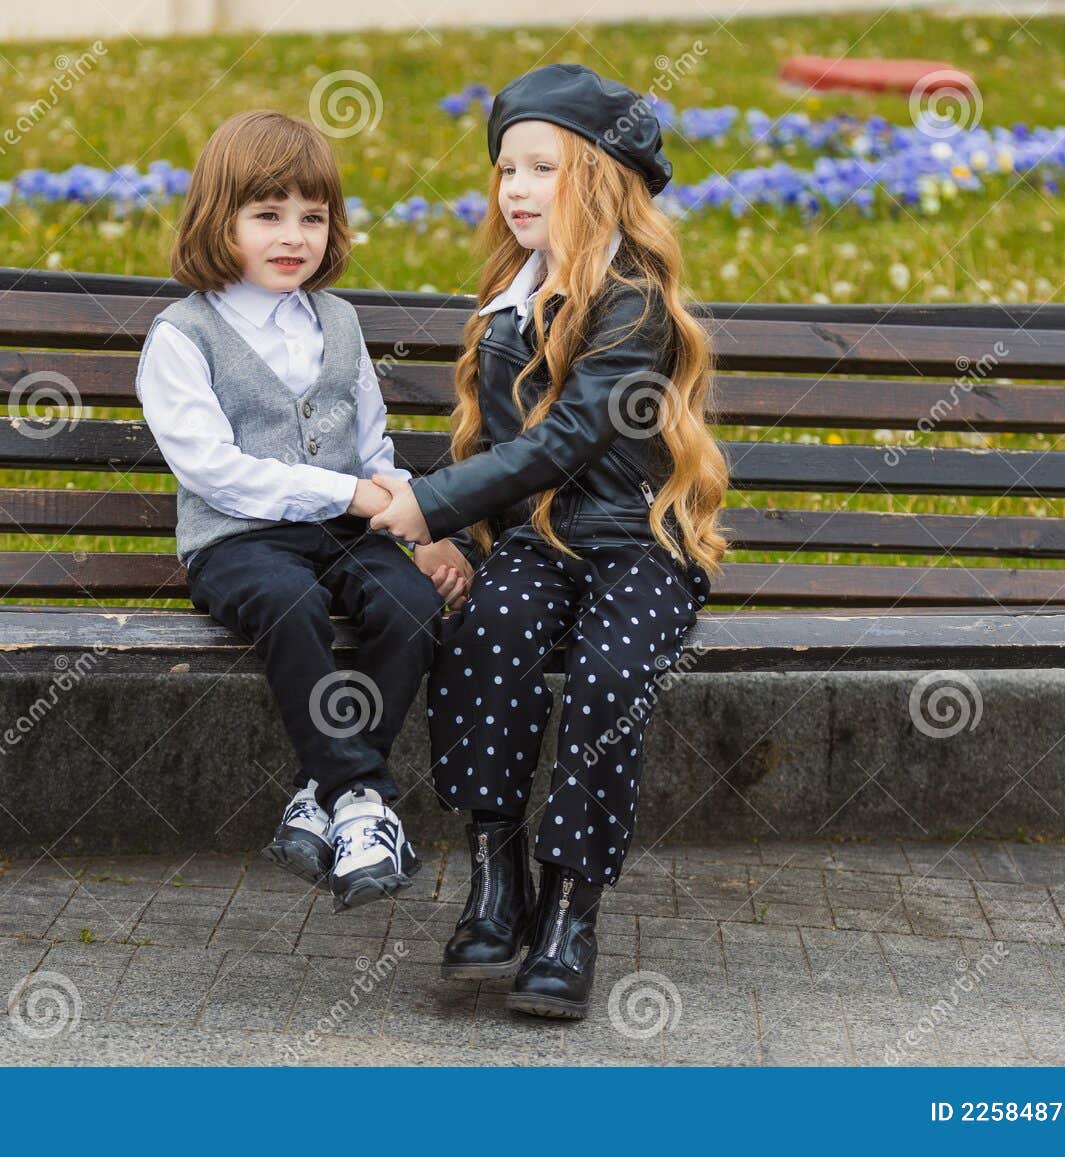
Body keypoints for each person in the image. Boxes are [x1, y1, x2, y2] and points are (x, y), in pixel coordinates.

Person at [369, 64, 729, 1017]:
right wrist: (447, 528)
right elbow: (497, 445)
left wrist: (429, 504)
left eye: (542, 168)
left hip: (637, 545)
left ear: (601, 181)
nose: (516, 189)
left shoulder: (633, 301)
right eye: (506, 169)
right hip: (535, 542)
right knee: (484, 631)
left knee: (610, 675)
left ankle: (570, 911)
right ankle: (498, 879)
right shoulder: (513, 296)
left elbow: (567, 438)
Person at [137, 109, 473, 911]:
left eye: (312, 218)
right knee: (290, 601)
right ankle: (363, 796)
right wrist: (345, 493)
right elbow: (213, 470)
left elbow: (372, 449)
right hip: (237, 540)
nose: (293, 236)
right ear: (219, 220)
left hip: (347, 534)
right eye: (268, 215)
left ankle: (320, 799)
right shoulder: (182, 335)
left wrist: (420, 526)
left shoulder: (339, 322)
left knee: (410, 604)